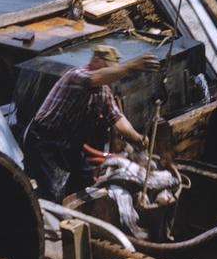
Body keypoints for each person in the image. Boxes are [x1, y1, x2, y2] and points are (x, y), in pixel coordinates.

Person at [23, 44, 159, 203]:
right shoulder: (76, 75)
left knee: (86, 182)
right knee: (52, 190)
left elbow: (117, 118)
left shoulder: (104, 91)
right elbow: (95, 78)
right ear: (96, 60)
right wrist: (130, 67)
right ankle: (52, 220)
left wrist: (137, 138)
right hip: (43, 141)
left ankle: (81, 214)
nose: (112, 75)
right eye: (108, 68)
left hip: (69, 143)